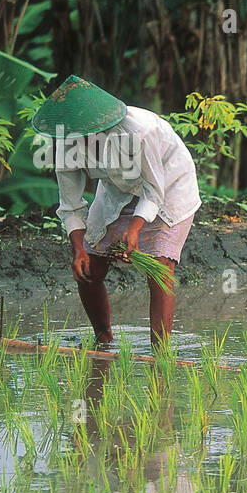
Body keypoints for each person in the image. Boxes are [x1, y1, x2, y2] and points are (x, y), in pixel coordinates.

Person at [34, 75, 201, 348]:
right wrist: (78, 249)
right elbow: (70, 205)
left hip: (169, 185)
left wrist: (135, 229)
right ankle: (103, 340)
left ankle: (160, 355)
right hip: (117, 190)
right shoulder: (66, 143)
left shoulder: (139, 133)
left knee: (160, 268)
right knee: (90, 266)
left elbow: (153, 191)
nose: (83, 140)